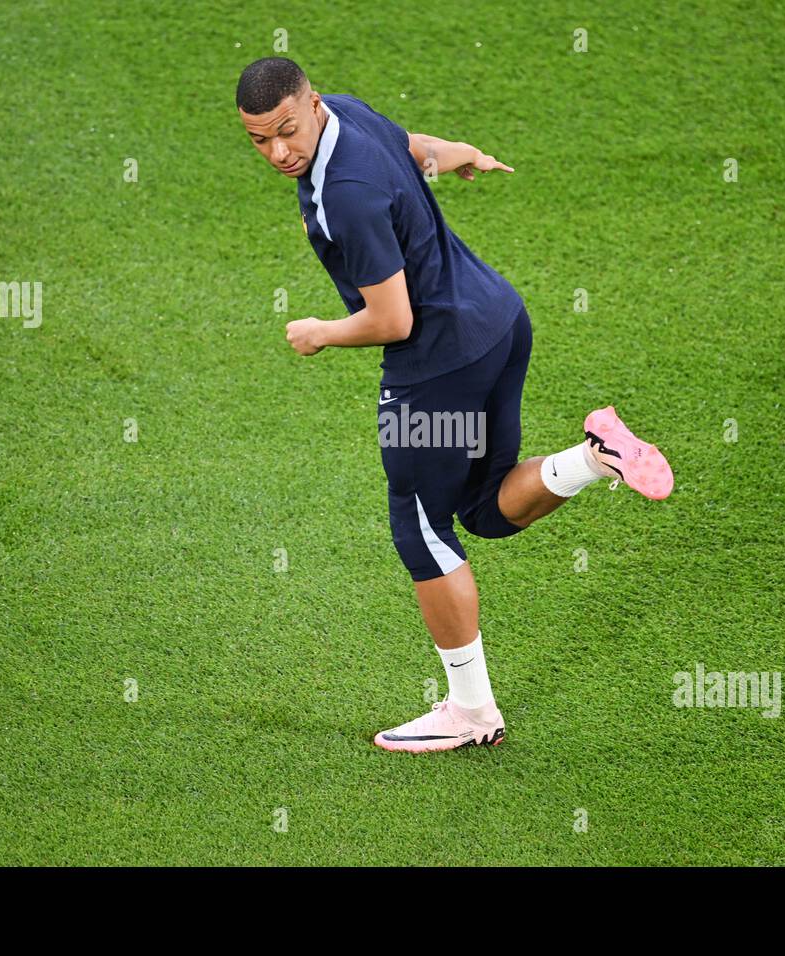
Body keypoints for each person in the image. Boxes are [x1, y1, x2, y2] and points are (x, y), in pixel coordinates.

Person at [236, 57, 673, 753]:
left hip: (438, 366)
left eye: (286, 131)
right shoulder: (345, 112)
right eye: (260, 140)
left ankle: (471, 712)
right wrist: (458, 153)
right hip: (499, 322)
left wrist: (320, 332)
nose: (278, 152)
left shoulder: (342, 197)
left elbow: (392, 320)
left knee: (419, 528)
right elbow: (411, 146)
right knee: (484, 511)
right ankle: (597, 460)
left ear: (309, 103)